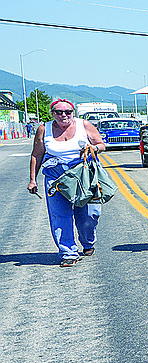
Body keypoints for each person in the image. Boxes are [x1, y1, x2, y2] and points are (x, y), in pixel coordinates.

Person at [27, 99, 107, 267]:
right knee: (59, 216)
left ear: (73, 113)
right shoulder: (44, 129)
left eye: (68, 112)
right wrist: (33, 179)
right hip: (56, 177)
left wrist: (94, 149)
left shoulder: (84, 125)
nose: (64, 115)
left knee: (89, 215)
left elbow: (101, 144)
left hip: (82, 175)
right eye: (59, 112)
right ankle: (68, 252)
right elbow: (37, 154)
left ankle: (87, 241)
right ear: (52, 114)